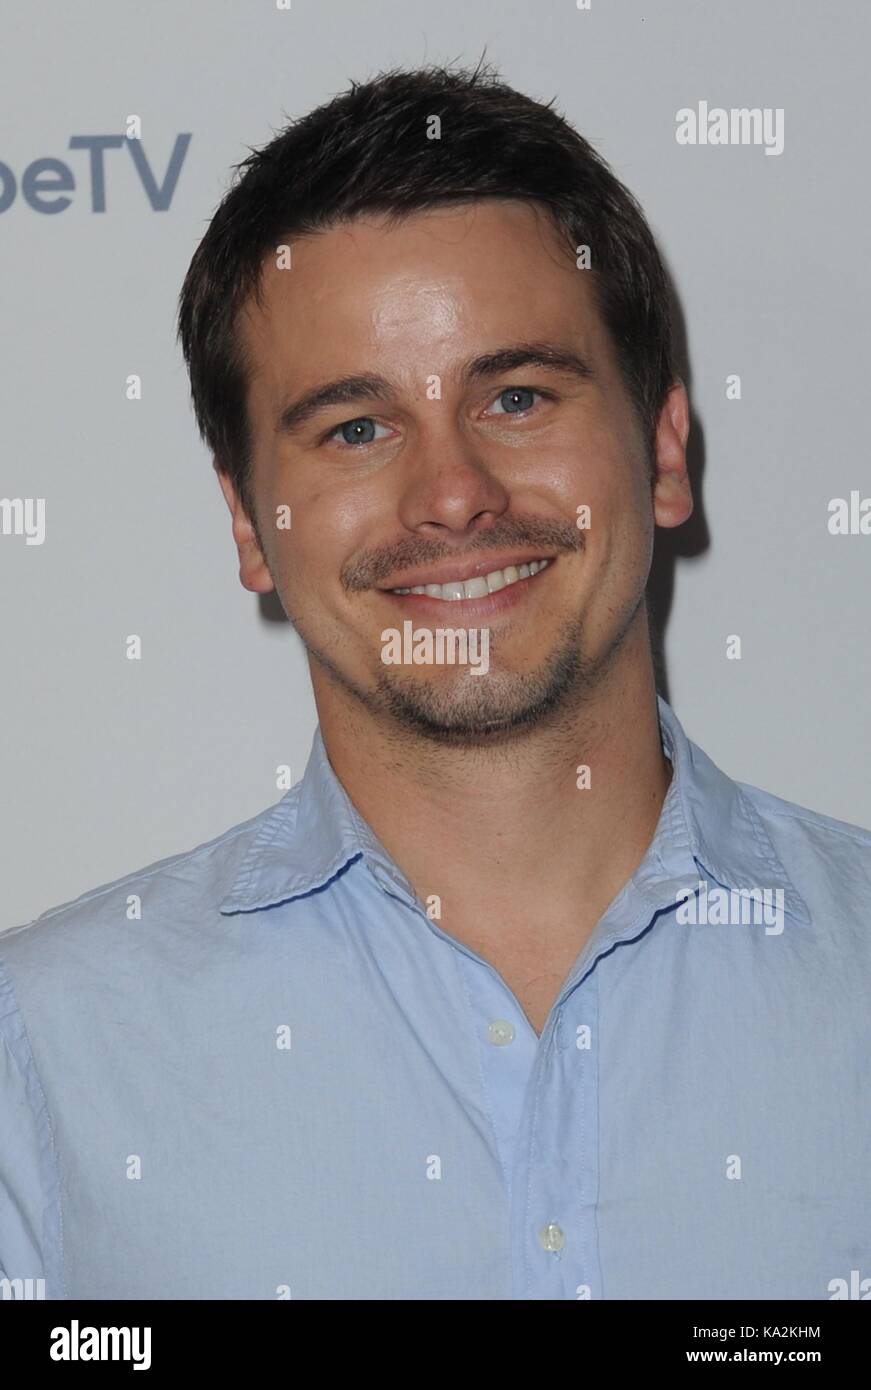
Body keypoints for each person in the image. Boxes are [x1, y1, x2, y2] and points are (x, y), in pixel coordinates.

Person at [2, 62, 869, 1302]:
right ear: (249, 520)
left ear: (664, 449)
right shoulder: (44, 1052)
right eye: (355, 427)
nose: (453, 492)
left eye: (515, 395)